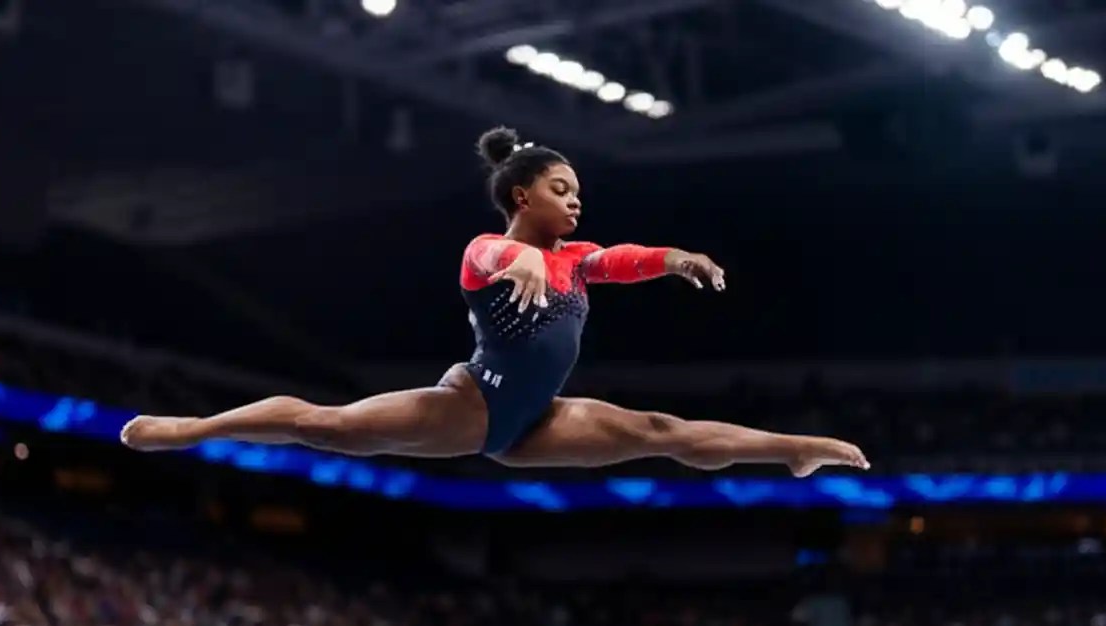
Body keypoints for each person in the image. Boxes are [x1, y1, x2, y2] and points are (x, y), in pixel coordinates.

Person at [121, 127, 868, 477]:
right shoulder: (487, 250)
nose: (575, 201)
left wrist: (677, 259)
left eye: (578, 191)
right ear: (521, 197)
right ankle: (193, 429)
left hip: (539, 421)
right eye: (560, 190)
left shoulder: (575, 259)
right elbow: (487, 257)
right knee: (327, 427)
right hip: (475, 404)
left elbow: (622, 259)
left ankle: (794, 449)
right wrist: (520, 258)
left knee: (659, 429)